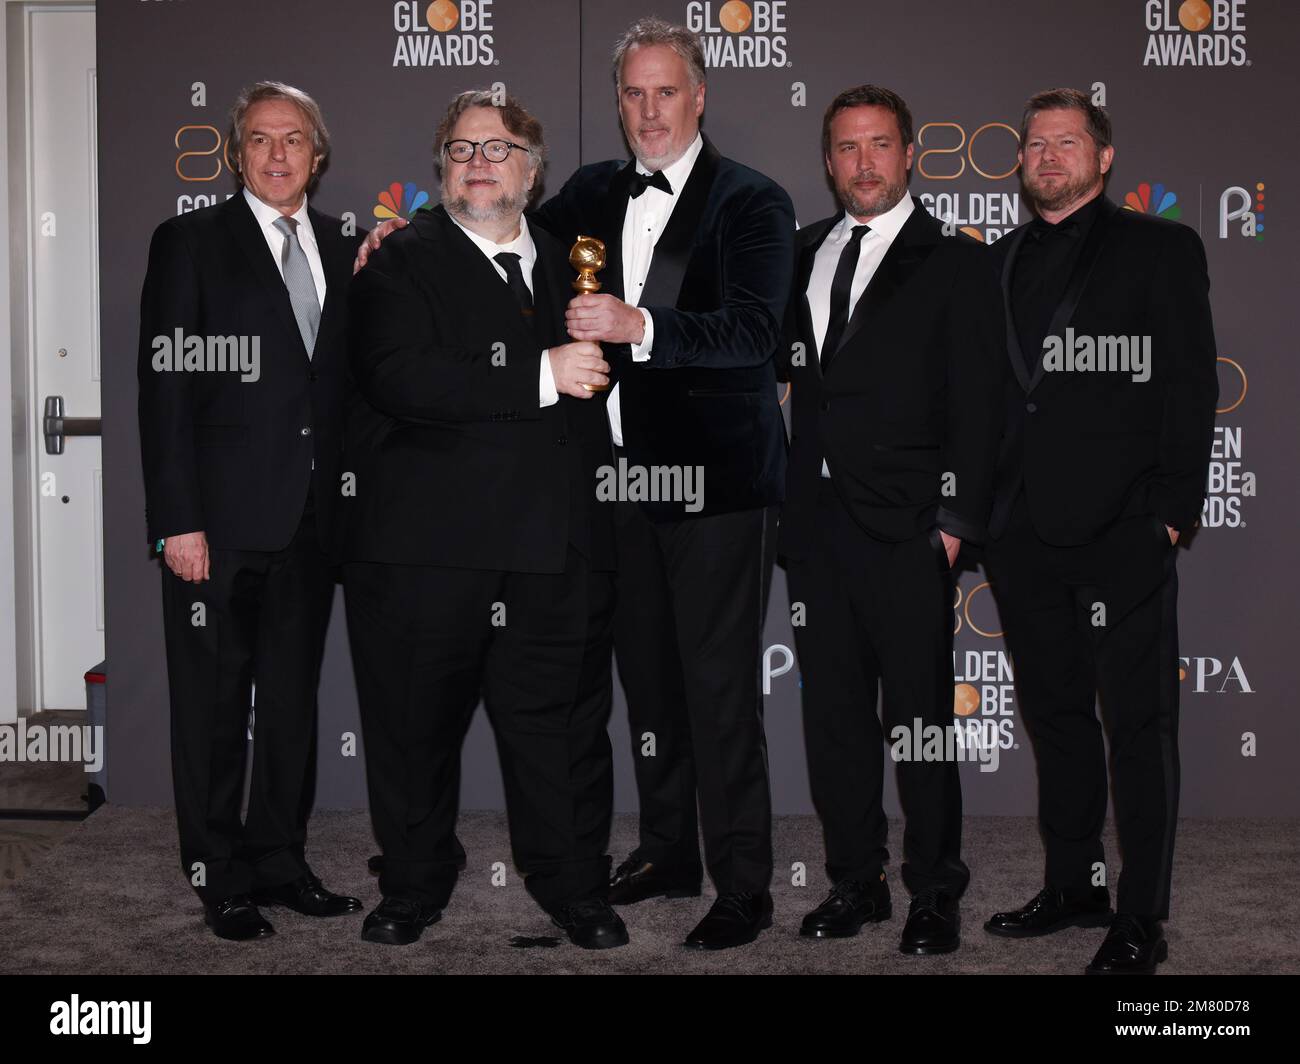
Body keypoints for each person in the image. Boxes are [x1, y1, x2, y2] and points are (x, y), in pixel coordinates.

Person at [358, 18, 794, 951]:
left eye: (665, 90)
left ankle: (744, 885)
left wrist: (644, 326)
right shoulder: (584, 198)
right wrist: (396, 231)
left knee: (717, 696)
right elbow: (481, 246)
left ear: (700, 94)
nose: (648, 109)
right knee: (643, 693)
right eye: (632, 93)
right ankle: (666, 851)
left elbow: (758, 333)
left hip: (713, 487)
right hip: (610, 499)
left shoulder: (753, 201)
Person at [341, 89, 625, 950]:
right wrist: (541, 374)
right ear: (441, 172)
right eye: (462, 150)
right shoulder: (399, 260)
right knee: (413, 725)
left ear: (532, 174)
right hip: (431, 551)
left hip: (552, 549)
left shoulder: (572, 262)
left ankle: (573, 885)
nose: (478, 163)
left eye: (498, 149)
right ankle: (415, 880)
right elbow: (401, 378)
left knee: (562, 731)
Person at [981, 89, 1218, 975]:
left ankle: (1141, 916)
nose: (1048, 156)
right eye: (1035, 144)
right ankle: (1075, 886)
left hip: (1125, 529)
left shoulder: (1161, 248)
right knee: (1058, 722)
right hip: (1023, 535)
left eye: (1067, 142)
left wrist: (1169, 515)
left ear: (1104, 156)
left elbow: (1191, 385)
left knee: (1139, 728)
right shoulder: (996, 260)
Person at [777, 85, 1005, 955]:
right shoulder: (800, 253)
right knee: (833, 719)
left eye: (878, 145)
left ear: (909, 155)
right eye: (845, 148)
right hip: (815, 524)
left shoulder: (955, 259)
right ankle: (855, 883)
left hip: (910, 526)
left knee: (917, 721)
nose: (862, 163)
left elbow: (981, 406)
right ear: (828, 160)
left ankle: (935, 892)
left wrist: (952, 522)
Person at [137, 81, 362, 941]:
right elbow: (164, 390)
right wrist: (176, 519)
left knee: (294, 707)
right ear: (237, 153)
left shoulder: (345, 247)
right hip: (217, 525)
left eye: (294, 139)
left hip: (314, 521)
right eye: (261, 139)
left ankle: (279, 858)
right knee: (212, 707)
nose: (277, 154)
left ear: (317, 153)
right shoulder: (190, 241)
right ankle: (217, 873)